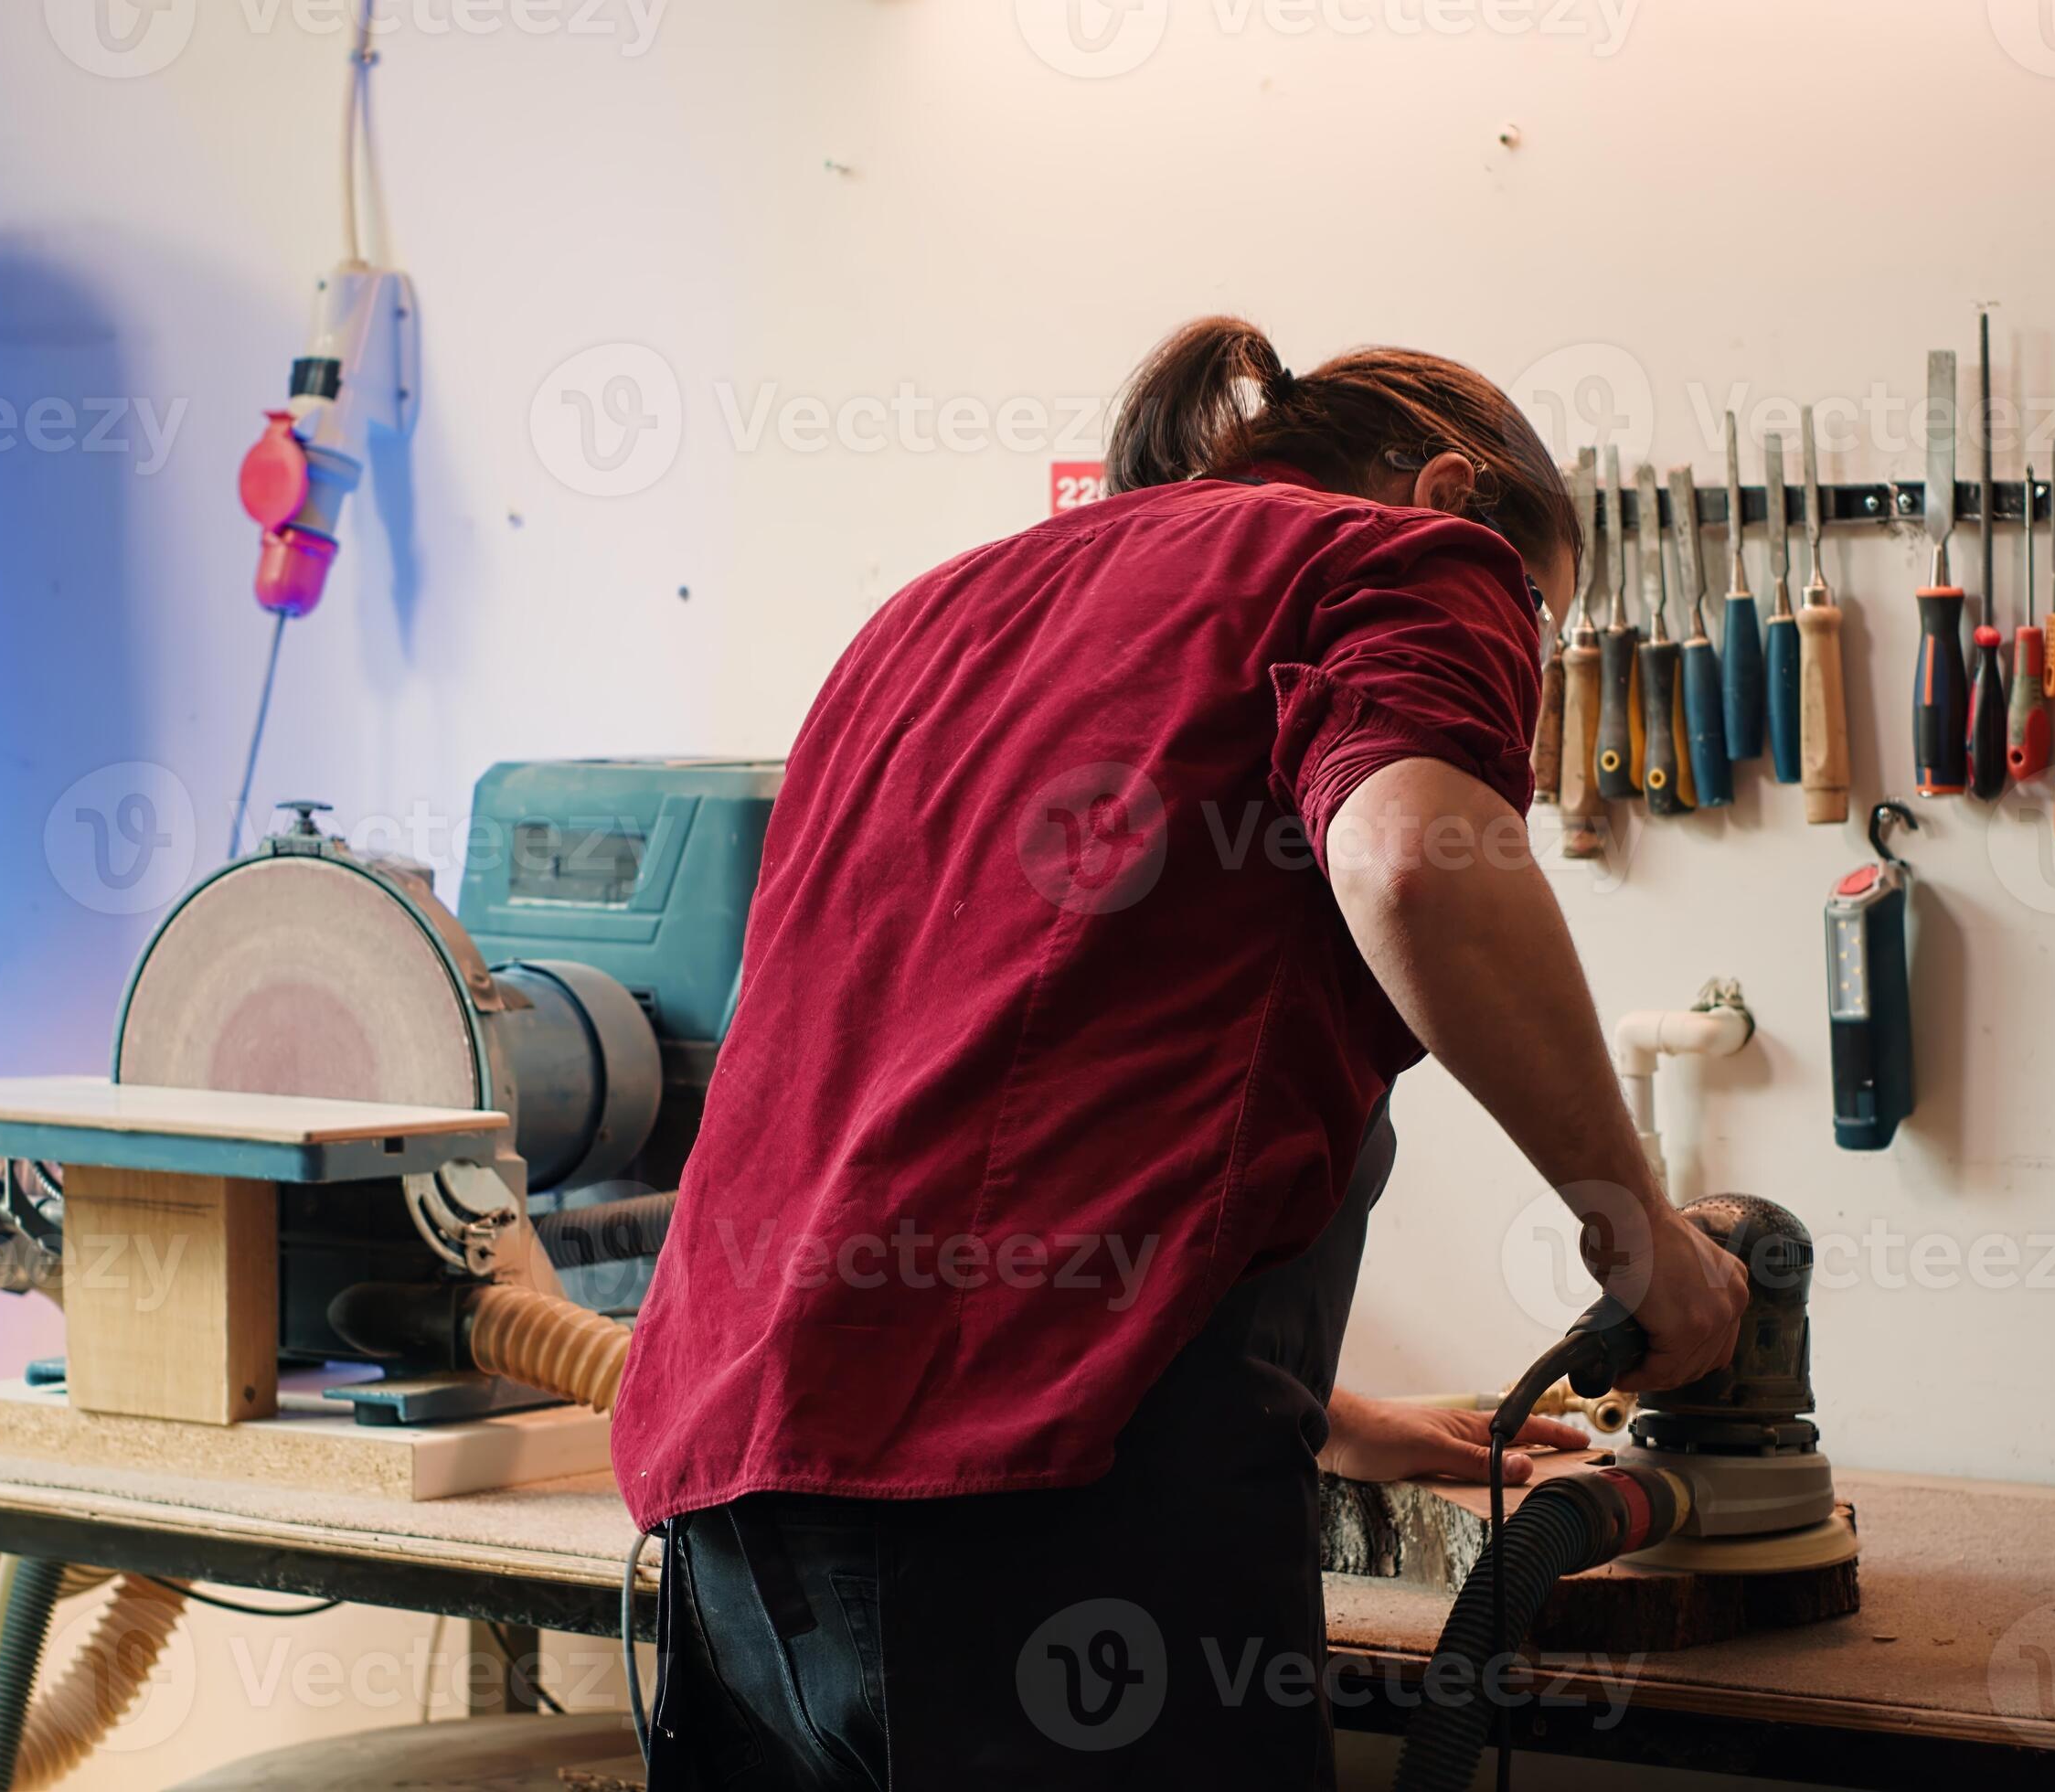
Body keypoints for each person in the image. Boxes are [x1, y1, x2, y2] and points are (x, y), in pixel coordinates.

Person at [610, 316, 1749, 1790]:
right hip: (1042, 1517)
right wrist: (1639, 1239)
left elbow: (947, 1076)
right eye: (1535, 607)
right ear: (1455, 495)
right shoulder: (1396, 559)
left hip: (737, 1509)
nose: (1519, 645)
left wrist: (1321, 1414)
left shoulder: (928, 616)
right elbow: (1410, 865)